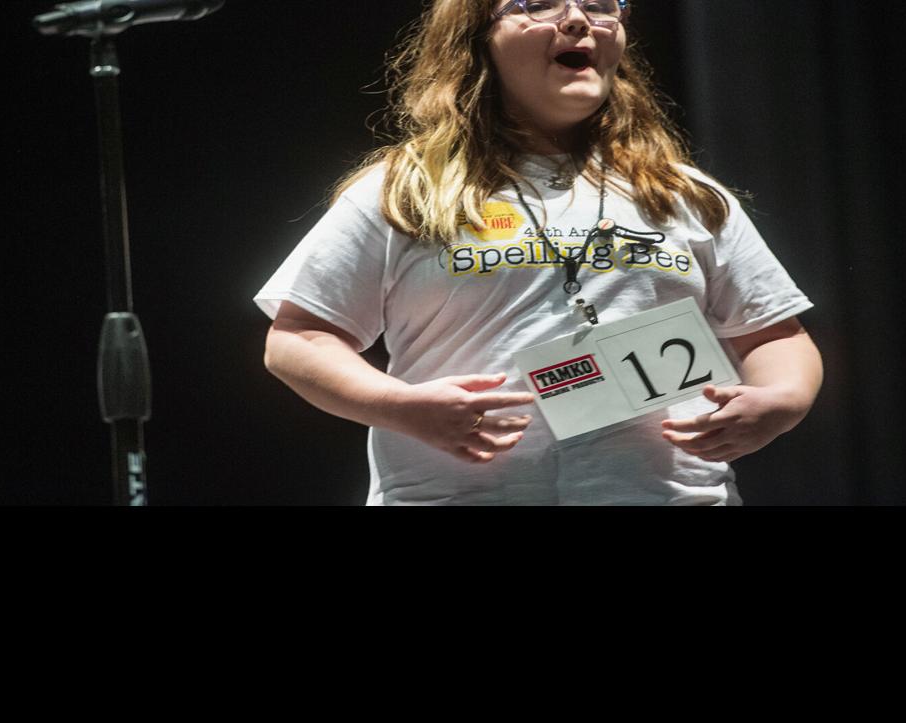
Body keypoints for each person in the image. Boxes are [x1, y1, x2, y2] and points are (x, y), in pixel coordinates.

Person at [254, 0, 822, 505]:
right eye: (540, 3)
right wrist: (401, 406)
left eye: (602, 4)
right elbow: (299, 339)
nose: (578, 18)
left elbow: (776, 336)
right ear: (478, 36)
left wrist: (780, 402)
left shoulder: (683, 195)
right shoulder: (405, 188)